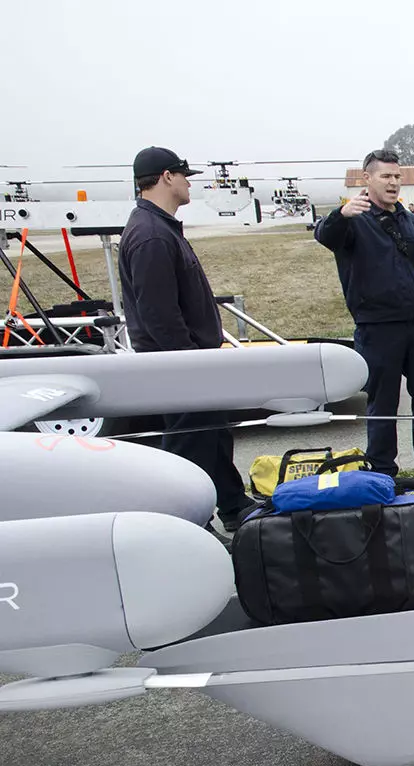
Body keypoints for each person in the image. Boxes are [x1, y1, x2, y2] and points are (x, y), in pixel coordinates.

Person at [118, 146, 258, 536]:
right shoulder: (151, 236)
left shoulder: (159, 227)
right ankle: (180, 522)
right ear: (166, 177)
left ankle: (233, 503)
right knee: (189, 444)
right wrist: (192, 365)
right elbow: (159, 316)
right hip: (180, 365)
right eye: (184, 175)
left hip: (192, 361)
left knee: (213, 434)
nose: (188, 182)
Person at [314, 149, 414, 487]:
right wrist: (341, 214)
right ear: (367, 179)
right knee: (383, 404)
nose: (392, 183)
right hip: (378, 328)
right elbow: (325, 235)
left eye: (397, 176)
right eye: (385, 177)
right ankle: (381, 470)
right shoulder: (352, 223)